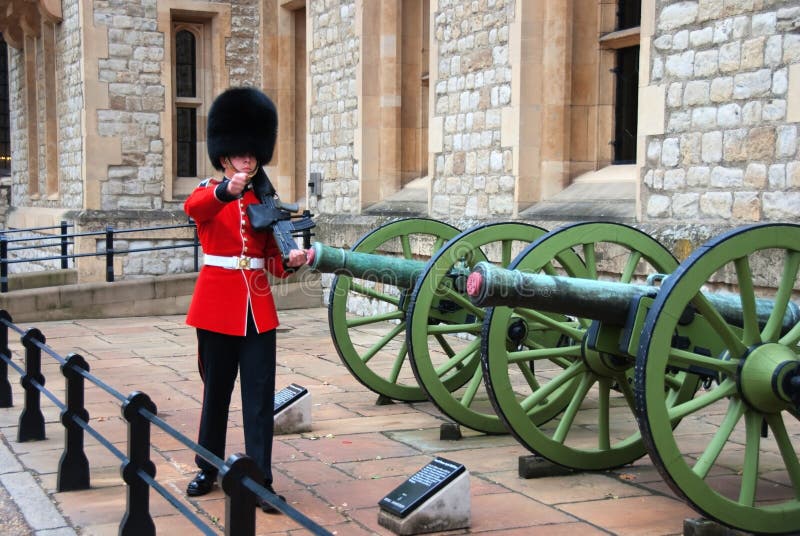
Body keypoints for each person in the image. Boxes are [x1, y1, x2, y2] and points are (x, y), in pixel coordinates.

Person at [183, 86, 306, 513]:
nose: (248, 159)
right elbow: (193, 209)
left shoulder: (264, 200)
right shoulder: (209, 193)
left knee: (258, 399)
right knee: (216, 392)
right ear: (224, 156)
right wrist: (226, 191)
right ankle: (207, 466)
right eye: (240, 153)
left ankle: (260, 480)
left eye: (252, 154)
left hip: (258, 309)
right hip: (216, 307)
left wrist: (293, 259)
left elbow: (271, 260)